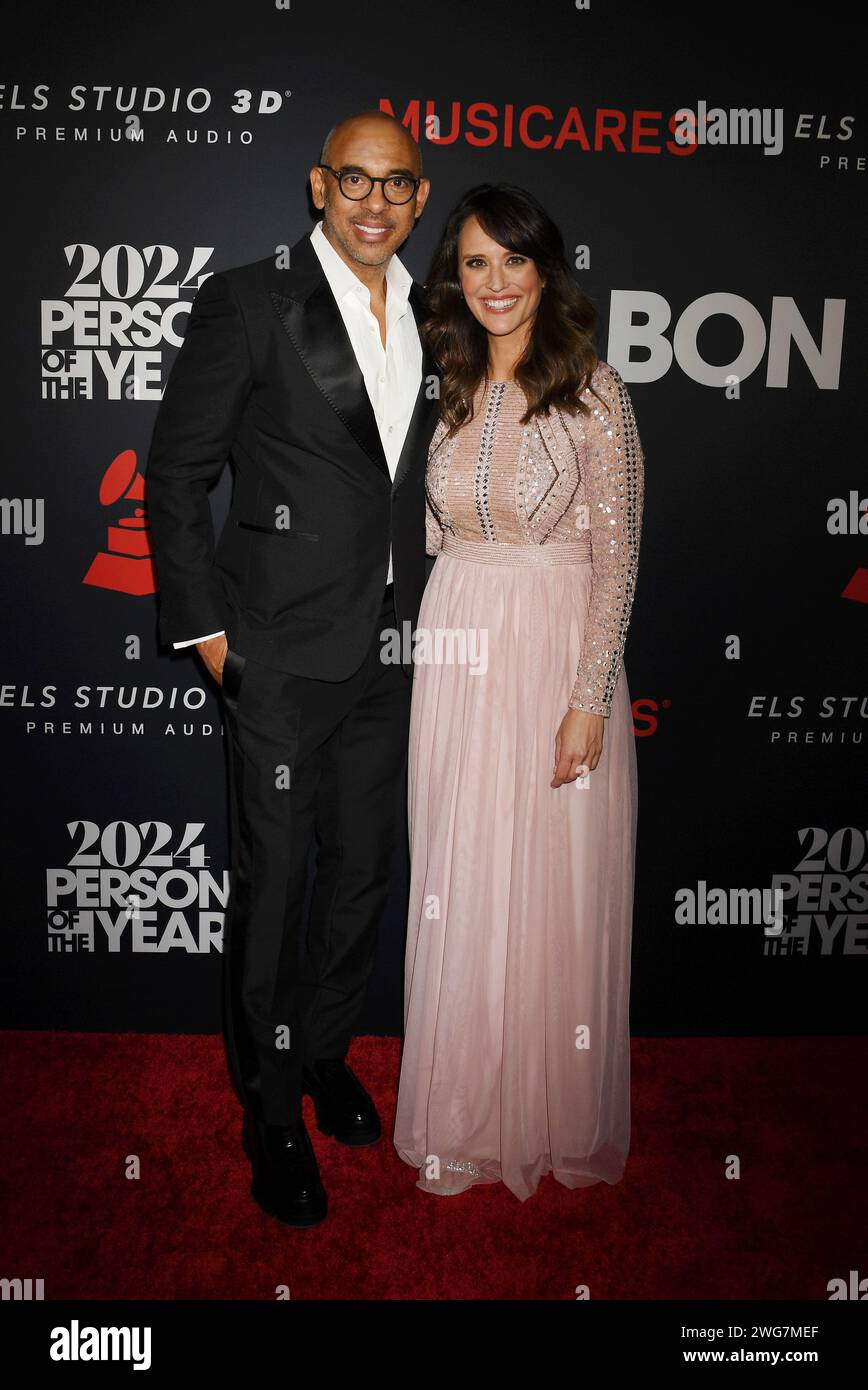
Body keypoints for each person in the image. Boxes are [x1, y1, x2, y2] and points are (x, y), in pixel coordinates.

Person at [146, 111, 435, 1227]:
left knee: (361, 870)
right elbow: (176, 477)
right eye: (353, 180)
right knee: (275, 893)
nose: (373, 202)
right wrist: (214, 640)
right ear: (319, 187)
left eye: (396, 183)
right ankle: (268, 1108)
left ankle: (321, 1055)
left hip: (390, 652)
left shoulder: (433, 311)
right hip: (273, 655)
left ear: (418, 198)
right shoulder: (250, 298)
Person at [393, 183, 645, 1201]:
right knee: (463, 871)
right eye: (473, 263)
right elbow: (438, 538)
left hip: (552, 645)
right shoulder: (446, 382)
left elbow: (617, 557)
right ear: (454, 278)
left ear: (545, 267)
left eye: (510, 259)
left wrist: (588, 696)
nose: (493, 281)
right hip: (458, 642)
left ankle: (545, 1111)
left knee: (549, 878)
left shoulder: (592, 389)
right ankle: (465, 1108)